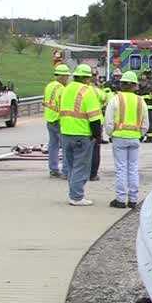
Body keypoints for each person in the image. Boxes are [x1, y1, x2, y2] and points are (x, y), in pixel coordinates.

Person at [58, 63, 103, 206]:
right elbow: (94, 117)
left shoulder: (66, 89)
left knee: (71, 166)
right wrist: (97, 136)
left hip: (66, 133)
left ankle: (73, 194)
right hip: (82, 134)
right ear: (86, 78)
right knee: (81, 167)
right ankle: (76, 197)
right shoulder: (87, 91)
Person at [105, 71, 148, 209]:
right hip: (134, 138)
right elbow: (145, 123)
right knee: (133, 168)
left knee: (121, 169)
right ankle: (133, 199)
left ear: (122, 84)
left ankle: (121, 199)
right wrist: (140, 134)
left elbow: (109, 121)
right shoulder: (141, 101)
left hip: (119, 137)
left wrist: (110, 133)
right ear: (135, 86)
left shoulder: (116, 99)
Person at [43, 64, 71, 178]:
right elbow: (64, 105)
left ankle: (53, 169)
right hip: (59, 120)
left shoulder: (49, 86)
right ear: (62, 76)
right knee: (65, 146)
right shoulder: (62, 89)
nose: (67, 79)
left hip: (50, 118)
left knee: (53, 145)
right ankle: (66, 171)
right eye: (66, 76)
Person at [88, 70, 110, 181]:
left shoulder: (79, 89)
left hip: (81, 123)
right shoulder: (96, 90)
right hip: (96, 120)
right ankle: (92, 174)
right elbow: (106, 99)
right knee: (95, 149)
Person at [138, 69, 152, 143]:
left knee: (146, 123)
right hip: (146, 107)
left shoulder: (149, 84)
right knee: (144, 123)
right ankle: (144, 137)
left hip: (147, 107)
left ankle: (147, 137)